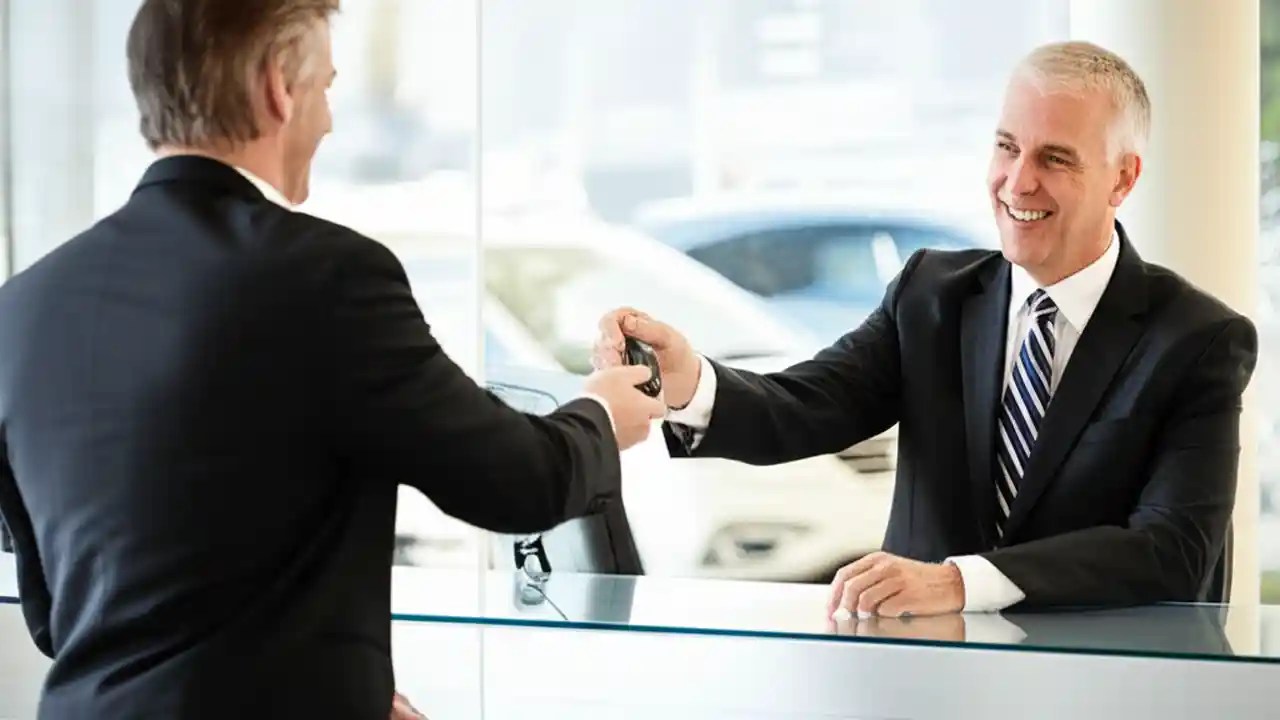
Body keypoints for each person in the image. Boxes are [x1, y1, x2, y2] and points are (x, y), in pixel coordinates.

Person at [0, 1, 665, 718]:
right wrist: (601, 414)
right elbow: (516, 483)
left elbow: (54, 604)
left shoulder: (24, 305)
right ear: (278, 88)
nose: (329, 120)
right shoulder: (326, 275)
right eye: (326, 88)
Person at [594, 41, 1258, 619]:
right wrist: (690, 382)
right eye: (1006, 146)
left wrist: (959, 581)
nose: (1016, 181)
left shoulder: (1197, 341)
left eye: (1055, 158)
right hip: (928, 680)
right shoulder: (931, 295)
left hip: (1108, 690)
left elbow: (1171, 550)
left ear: (1123, 178)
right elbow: (809, 405)